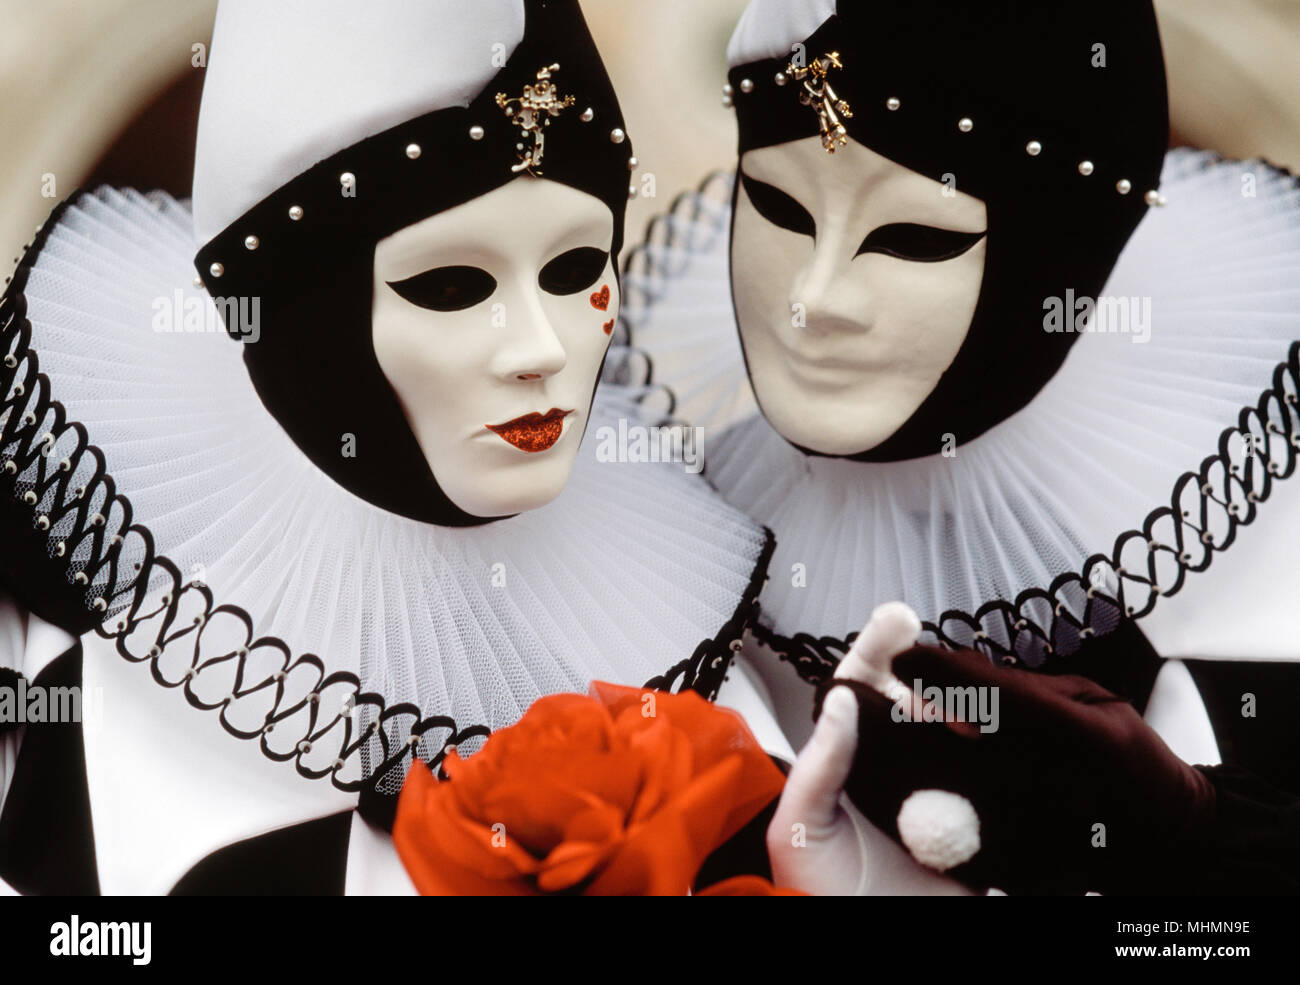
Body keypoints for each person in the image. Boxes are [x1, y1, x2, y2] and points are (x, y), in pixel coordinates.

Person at [0, 0, 778, 895]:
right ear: (302, 317)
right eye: (451, 283)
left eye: (572, 268)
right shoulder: (79, 676)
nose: (543, 349)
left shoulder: (683, 657)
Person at [617, 0, 1300, 891]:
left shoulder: (1249, 571)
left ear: (1057, 259)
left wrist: (1192, 839)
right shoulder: (651, 544)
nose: (813, 298)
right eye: (781, 208)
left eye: (912, 236)